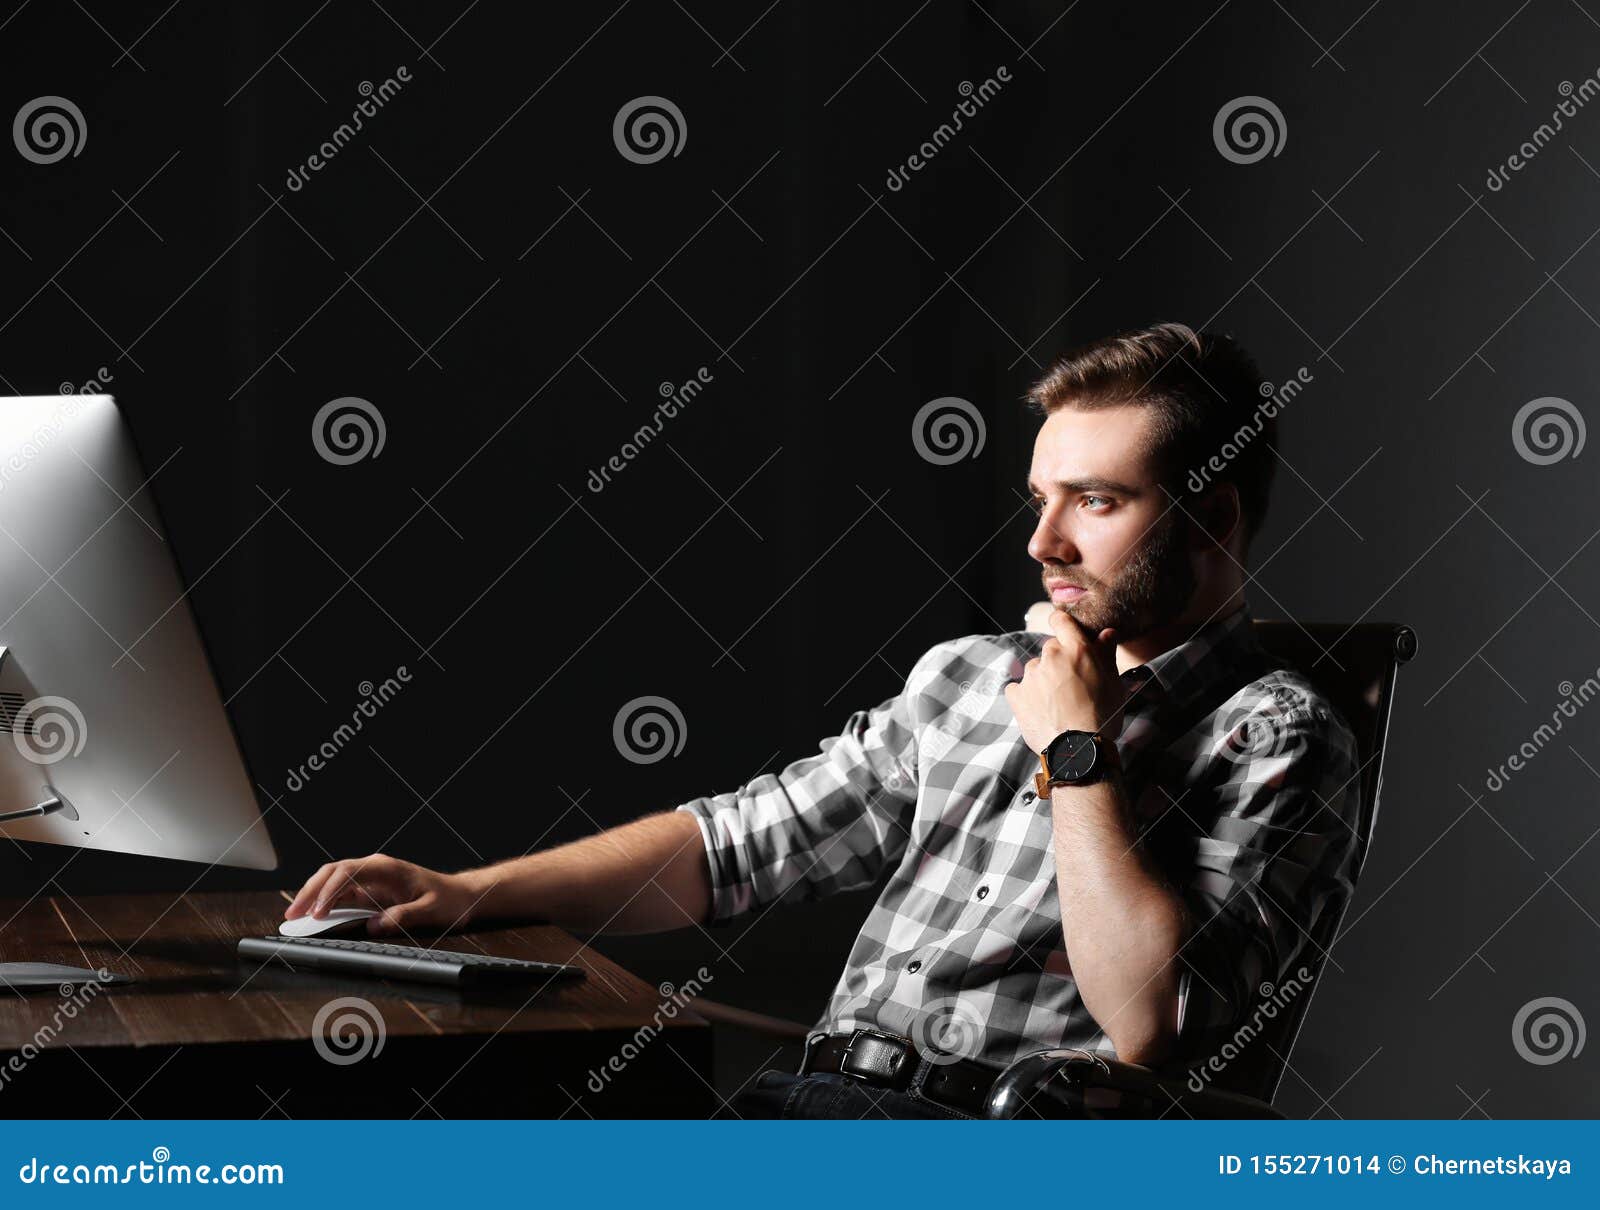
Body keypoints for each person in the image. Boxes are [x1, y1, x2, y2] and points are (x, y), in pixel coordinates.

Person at [285, 322, 1359, 1120]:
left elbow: (1154, 1018)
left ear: (1211, 513)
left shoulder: (1279, 734)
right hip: (809, 1106)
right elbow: (735, 848)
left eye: (1096, 500)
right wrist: (469, 893)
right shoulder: (968, 678)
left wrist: (1077, 752)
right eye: (1040, 500)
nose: (1043, 544)